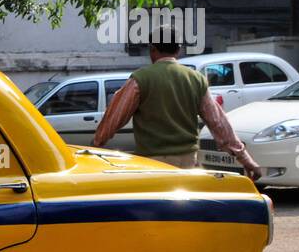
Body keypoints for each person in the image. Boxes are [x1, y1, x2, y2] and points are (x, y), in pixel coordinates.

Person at [92, 40, 262, 180]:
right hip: (188, 161)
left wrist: (97, 144)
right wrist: (245, 159)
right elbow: (218, 122)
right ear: (178, 50)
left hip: (153, 163)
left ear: (152, 49)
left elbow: (115, 117)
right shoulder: (195, 79)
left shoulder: (140, 79)